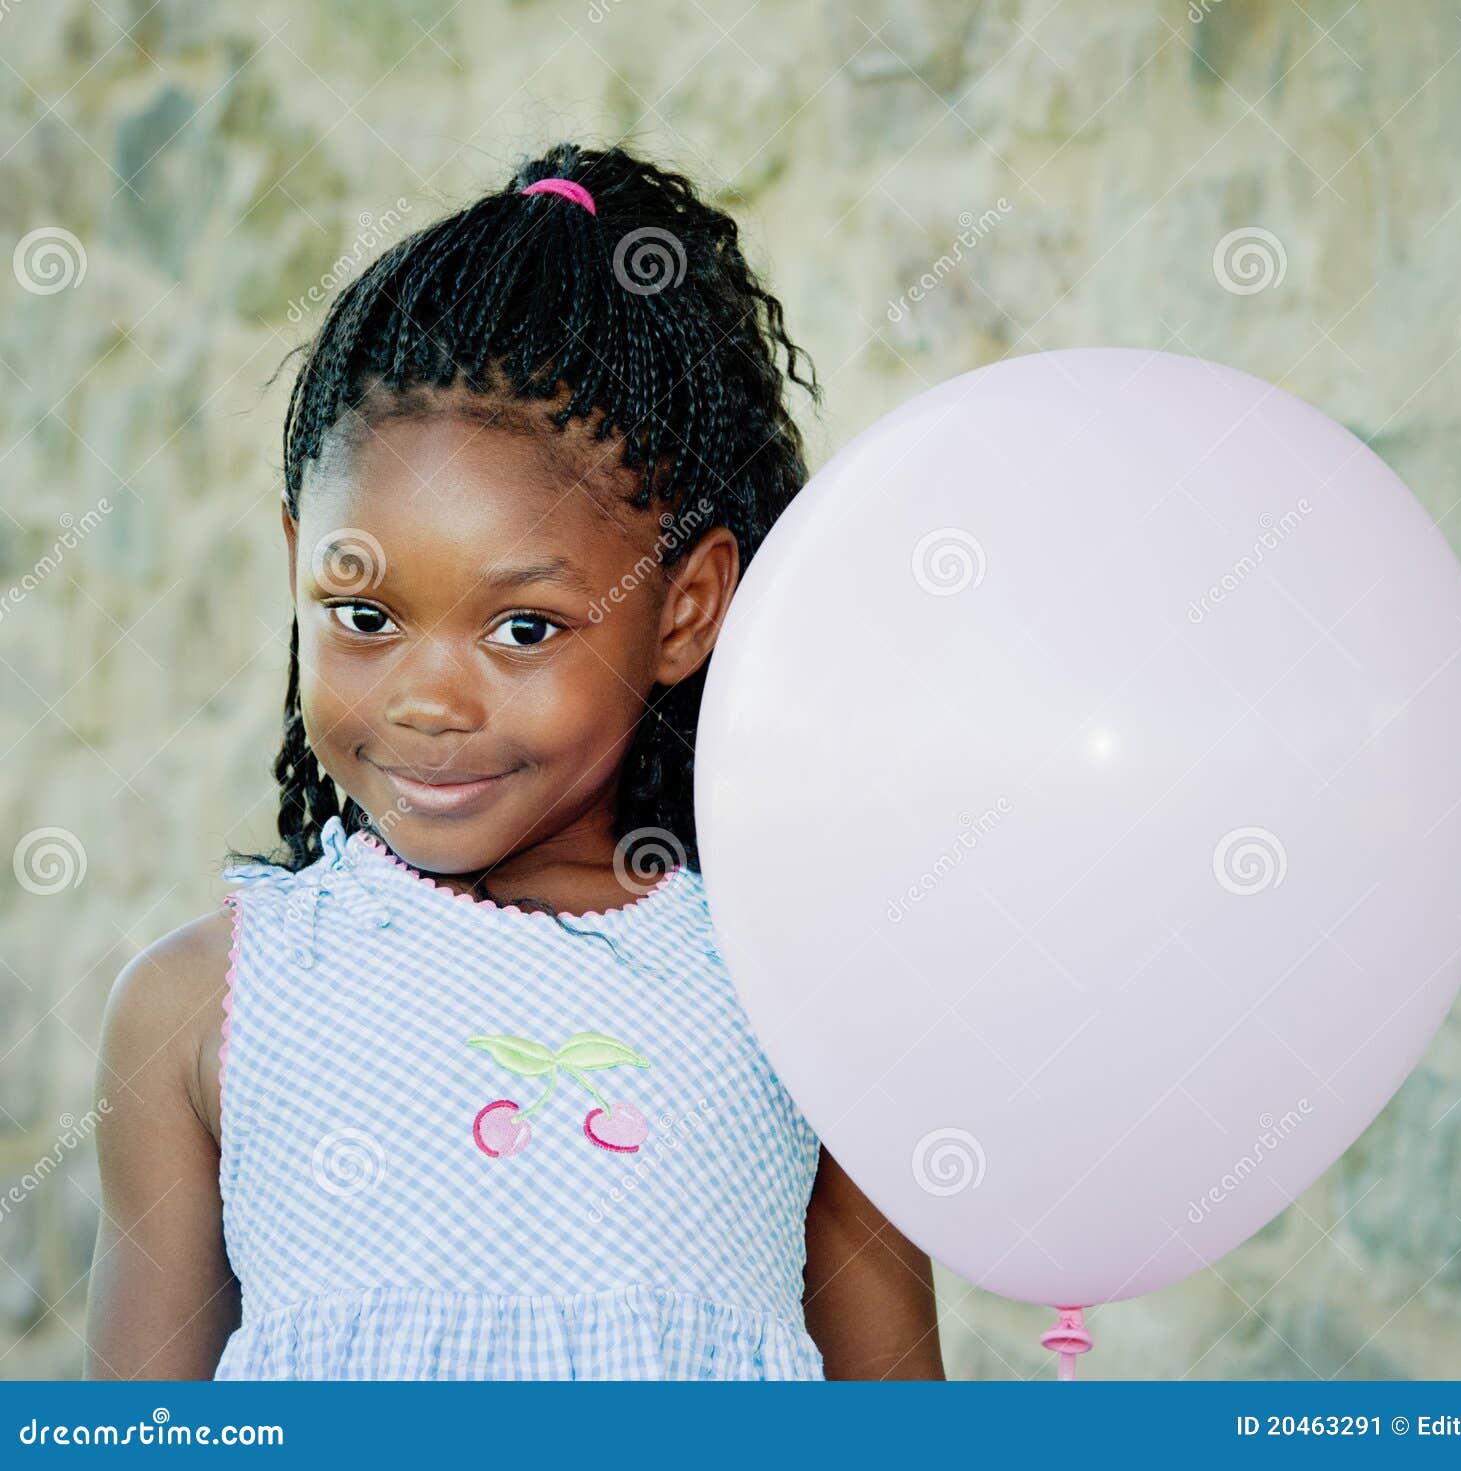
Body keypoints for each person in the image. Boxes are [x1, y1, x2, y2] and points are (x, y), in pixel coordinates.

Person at [85, 142, 943, 1381]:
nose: (429, 699)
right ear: (294, 565)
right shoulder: (197, 1012)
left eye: (524, 627)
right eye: (364, 614)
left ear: (687, 608)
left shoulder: (796, 995)